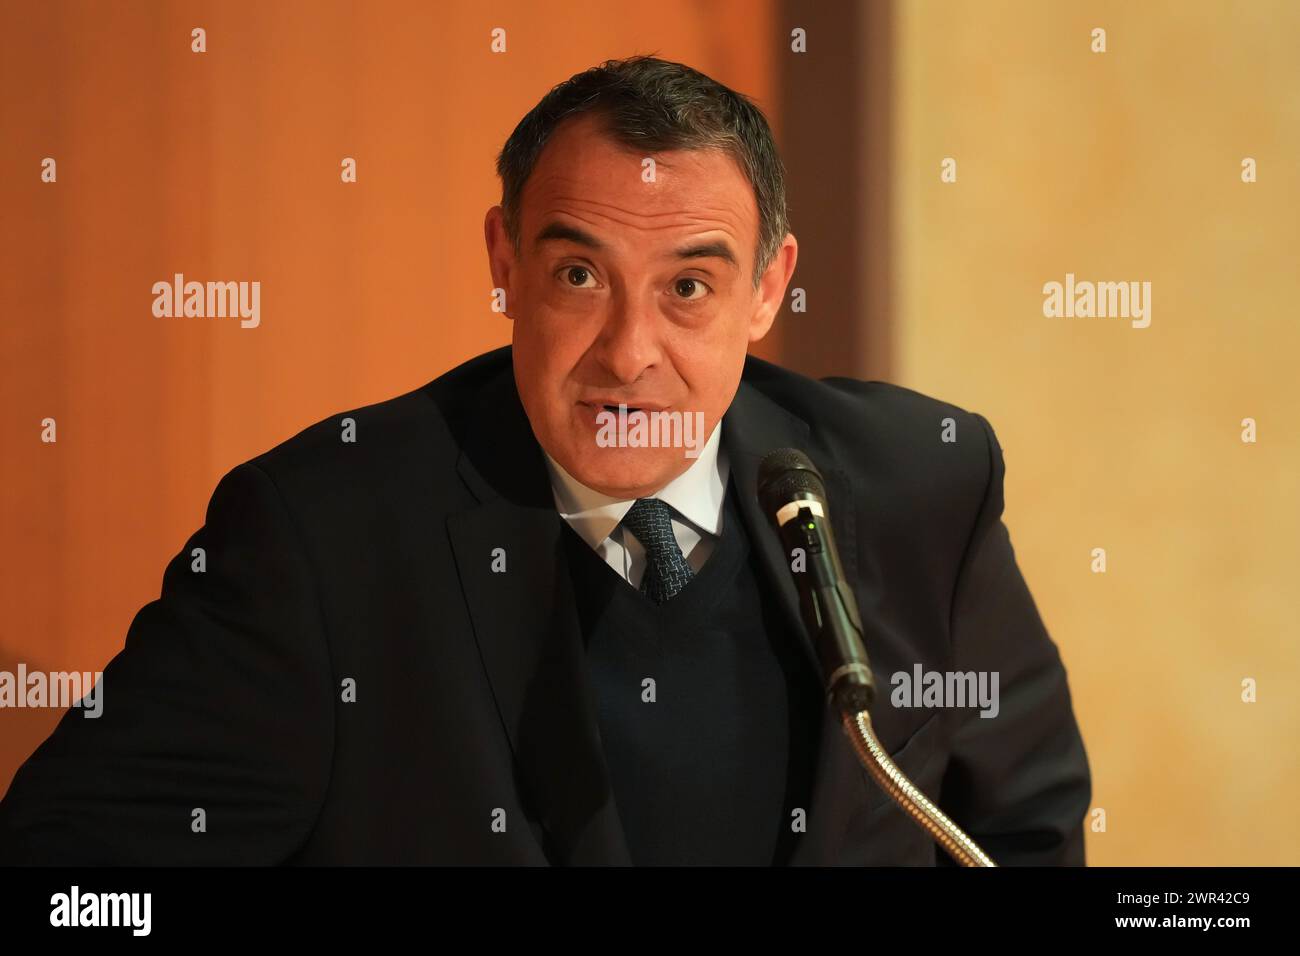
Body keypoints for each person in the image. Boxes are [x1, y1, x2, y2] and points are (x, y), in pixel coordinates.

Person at [0, 54, 1090, 866]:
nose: (627, 352)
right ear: (503, 260)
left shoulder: (916, 489)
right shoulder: (323, 537)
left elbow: (1021, 838)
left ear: (767, 289)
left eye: (689, 287)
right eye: (578, 276)